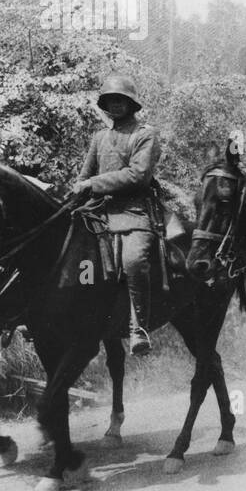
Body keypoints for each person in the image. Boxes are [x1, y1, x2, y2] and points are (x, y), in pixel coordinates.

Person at [72, 74, 162, 356]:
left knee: (134, 260)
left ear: (131, 104)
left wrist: (92, 184)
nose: (116, 105)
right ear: (105, 105)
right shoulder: (99, 137)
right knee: (67, 254)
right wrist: (77, 189)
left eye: (121, 100)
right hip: (97, 213)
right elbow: (85, 175)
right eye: (111, 100)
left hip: (133, 213)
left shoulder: (145, 134)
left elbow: (138, 175)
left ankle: (139, 329)